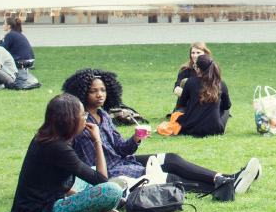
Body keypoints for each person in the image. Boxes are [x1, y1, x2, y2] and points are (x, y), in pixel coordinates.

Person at [68, 72, 260, 200]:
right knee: (166, 175)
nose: (100, 95)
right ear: (83, 93)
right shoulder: (77, 121)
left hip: (123, 160)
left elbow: (120, 148)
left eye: (102, 90)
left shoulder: (103, 116)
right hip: (111, 172)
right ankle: (225, 185)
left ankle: (225, 178)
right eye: (94, 91)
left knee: (172, 158)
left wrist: (135, 138)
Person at [9, 94, 125, 212]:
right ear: (70, 119)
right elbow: (102, 180)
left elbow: (53, 181)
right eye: (83, 115)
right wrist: (97, 140)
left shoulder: (50, 137)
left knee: (92, 170)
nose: (86, 118)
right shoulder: (57, 147)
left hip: (46, 199)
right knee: (112, 190)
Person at [174, 52, 231, 137]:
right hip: (214, 129)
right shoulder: (220, 83)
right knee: (226, 110)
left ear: (197, 68)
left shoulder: (190, 82)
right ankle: (215, 120)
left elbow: (181, 103)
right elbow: (227, 106)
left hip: (190, 128)